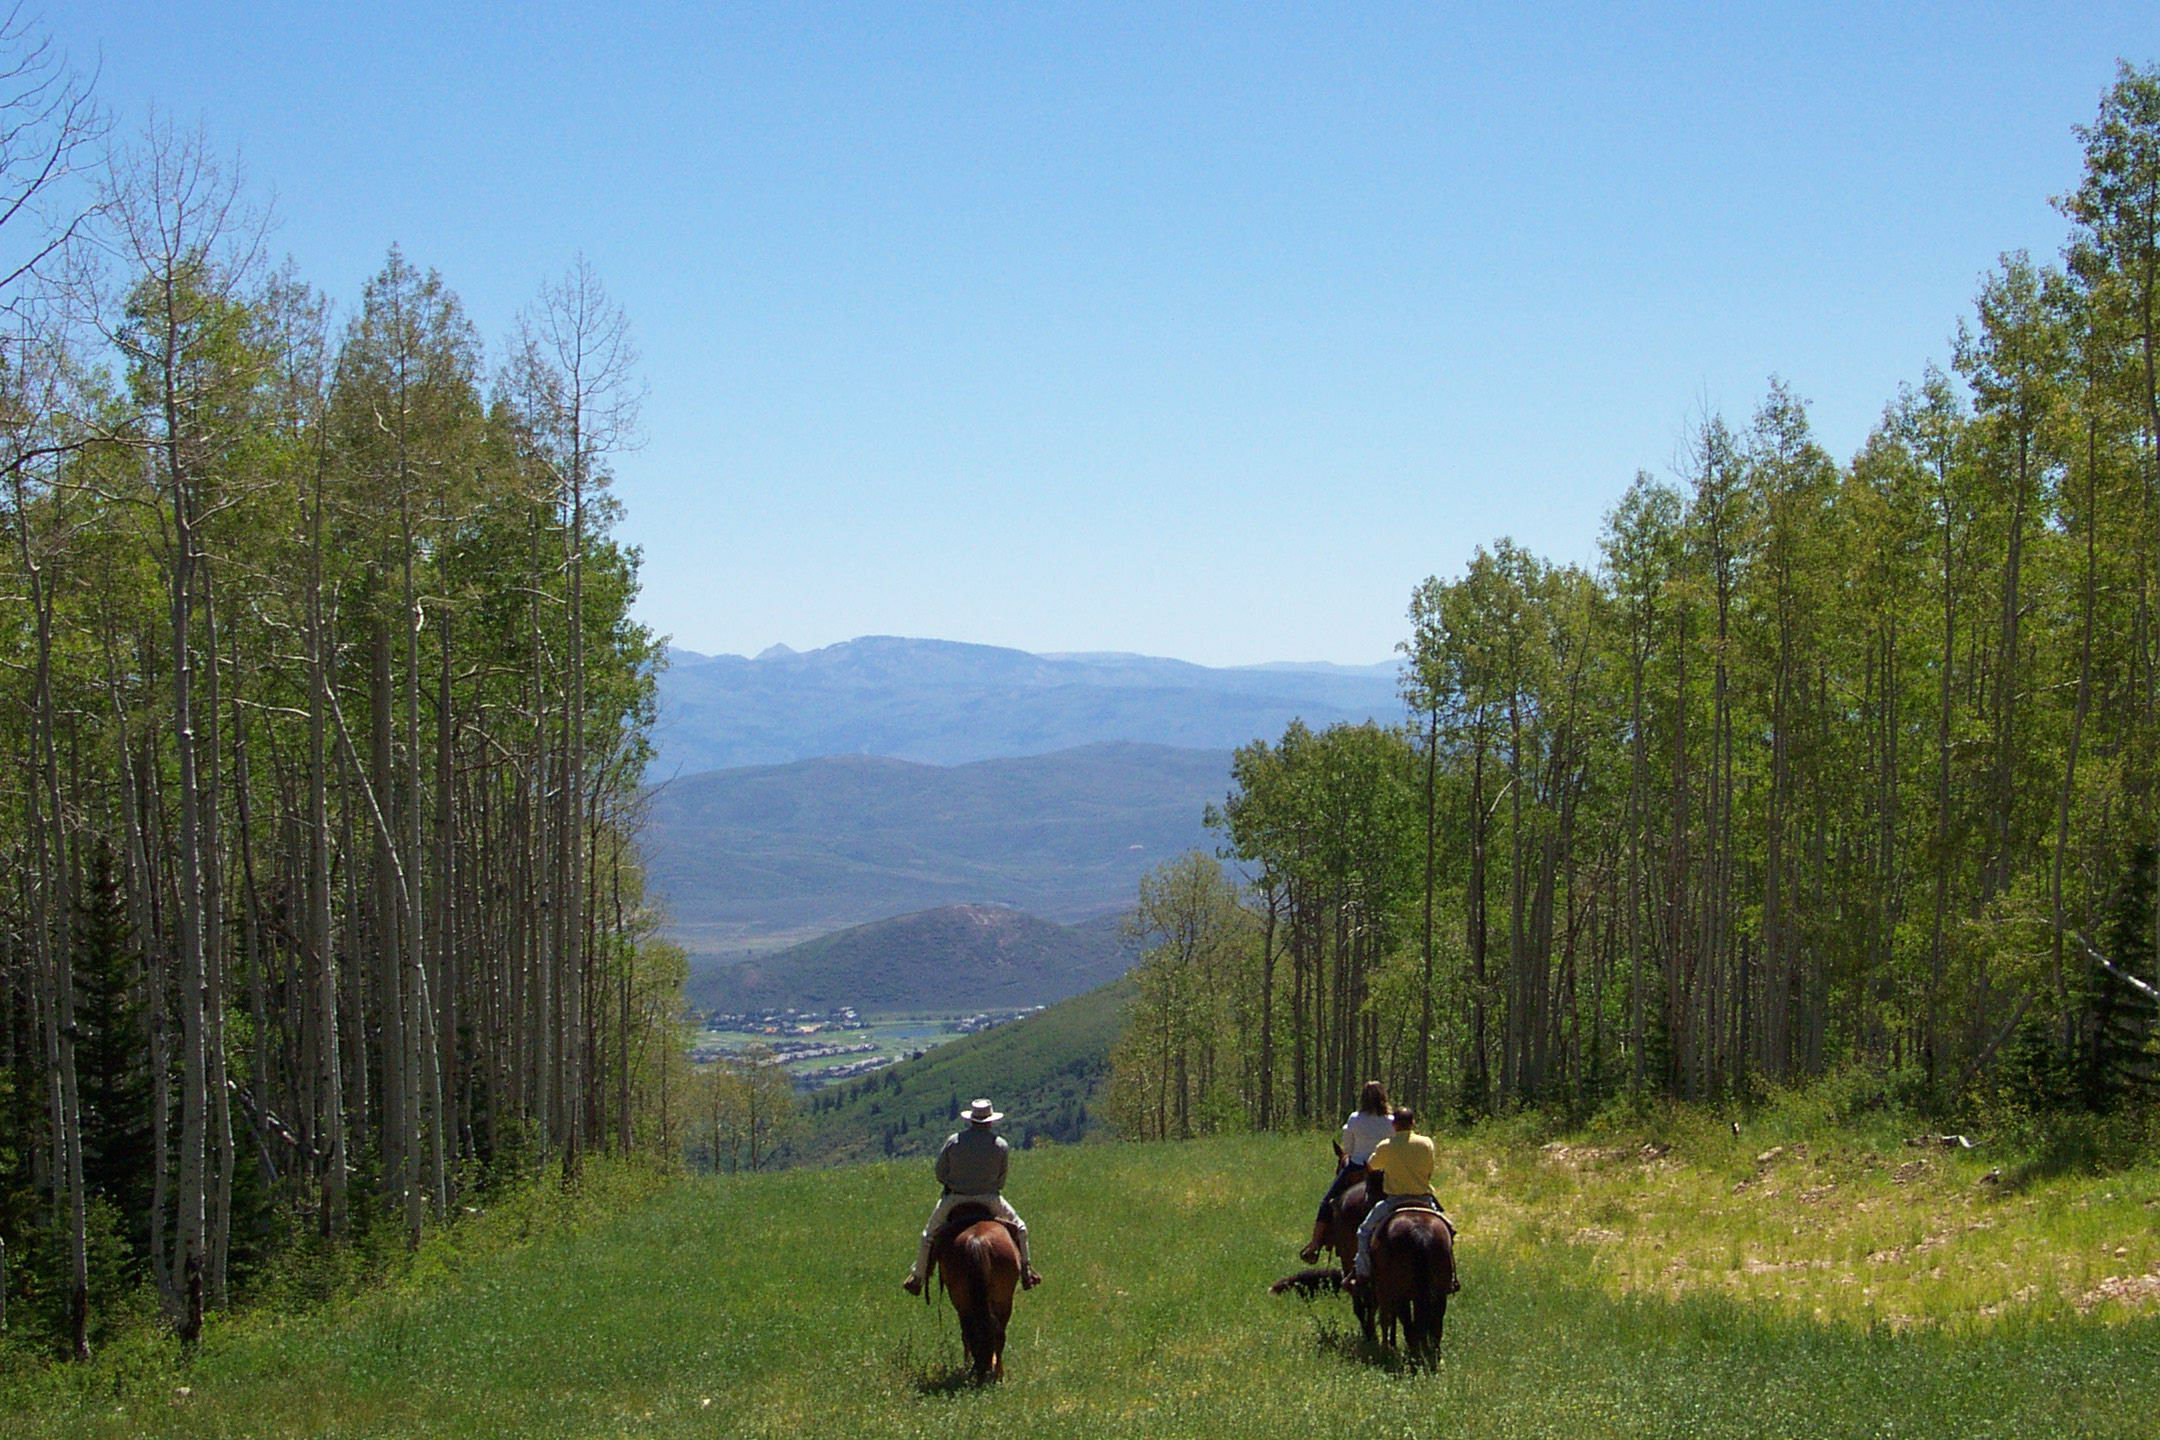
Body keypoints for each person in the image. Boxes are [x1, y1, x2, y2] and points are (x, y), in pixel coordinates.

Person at [901, 1097, 1043, 1295]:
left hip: (955, 1198)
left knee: (928, 1235)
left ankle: (918, 1277)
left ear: (971, 1120)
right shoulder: (1000, 1145)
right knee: (1020, 1228)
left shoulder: (954, 1141)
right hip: (989, 1199)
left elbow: (940, 1173)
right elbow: (1001, 1180)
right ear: (991, 1121)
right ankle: (1026, 1272)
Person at [1346, 1106, 1450, 1289]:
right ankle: (1449, 1276)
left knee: (1364, 1232)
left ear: (1394, 1125)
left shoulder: (1386, 1145)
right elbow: (1429, 1168)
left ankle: (1362, 1274)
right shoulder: (1426, 1143)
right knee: (1449, 1229)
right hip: (1424, 1199)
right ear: (1413, 1123)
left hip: (1395, 1200)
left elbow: (1371, 1166)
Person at [1300, 1079, 1394, 1263]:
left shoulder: (1354, 1118)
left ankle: (1315, 1245)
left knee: (1327, 1202)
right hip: (1385, 1170)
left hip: (1357, 1166)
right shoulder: (1391, 1121)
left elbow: (1348, 1149)